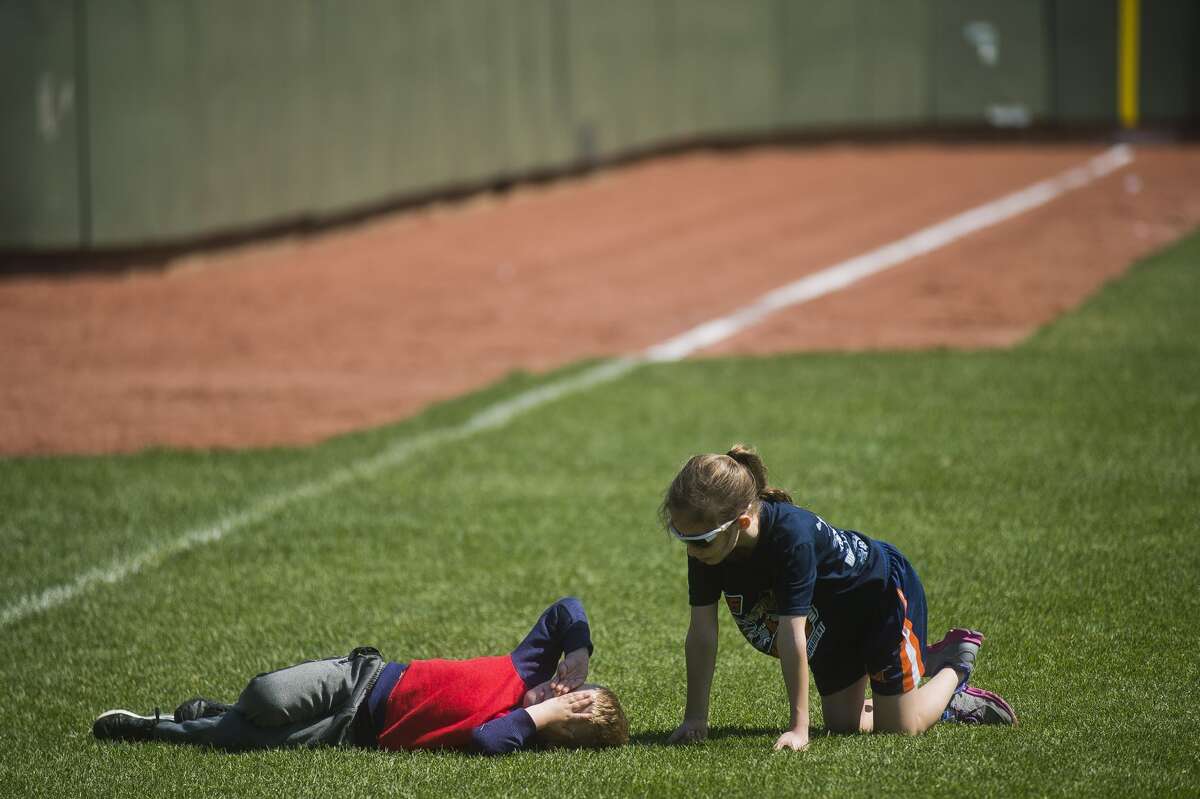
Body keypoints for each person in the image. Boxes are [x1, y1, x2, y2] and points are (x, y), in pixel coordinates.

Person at [661, 445, 1016, 752]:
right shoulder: (709, 547)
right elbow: (702, 633)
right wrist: (695, 718)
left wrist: (799, 729)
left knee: (900, 728)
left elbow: (793, 636)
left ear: (740, 522)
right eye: (681, 536)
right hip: (831, 625)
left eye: (699, 539)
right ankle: (912, 693)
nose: (690, 550)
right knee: (843, 724)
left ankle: (952, 668)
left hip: (879, 603)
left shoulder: (790, 538)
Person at [92, 596, 628, 755]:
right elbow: (567, 609)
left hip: (354, 730)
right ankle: (215, 709)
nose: (562, 693)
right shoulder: (529, 664)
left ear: (560, 732)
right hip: (364, 679)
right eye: (576, 690)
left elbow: (484, 741)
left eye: (569, 712)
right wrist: (577, 652)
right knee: (264, 695)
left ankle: (151, 726)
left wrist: (539, 714)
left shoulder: (514, 728)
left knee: (235, 737)